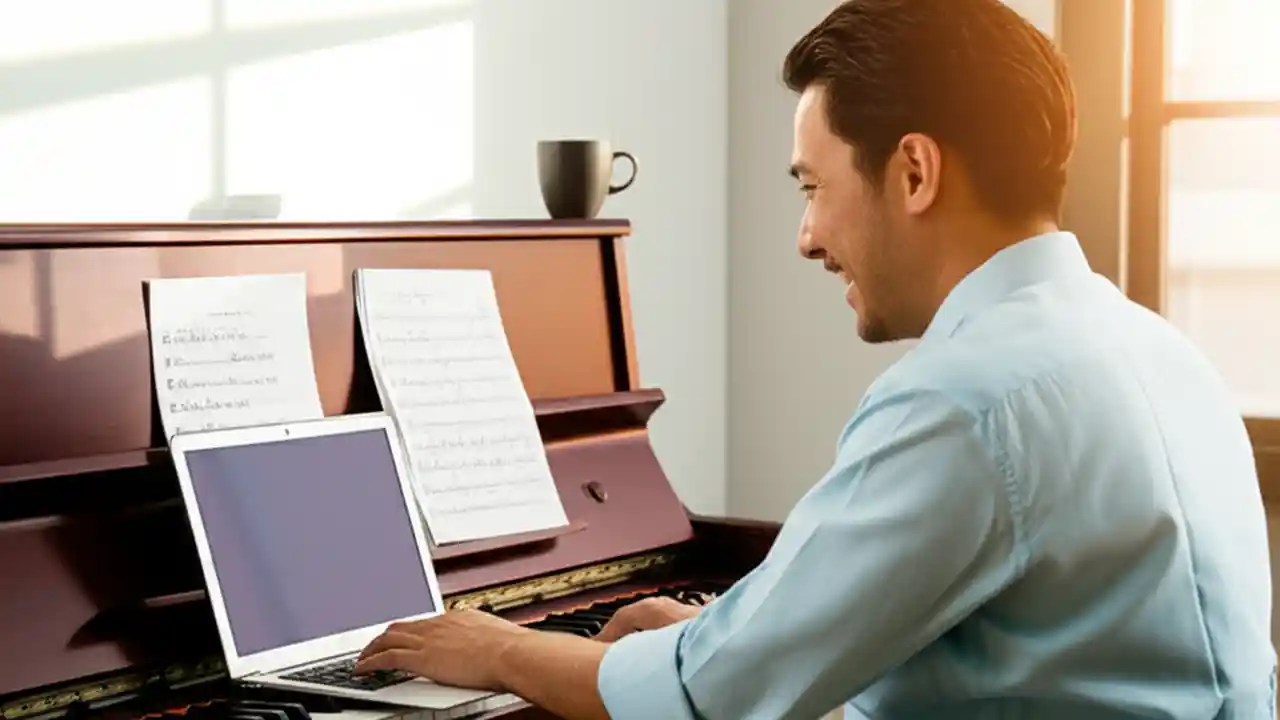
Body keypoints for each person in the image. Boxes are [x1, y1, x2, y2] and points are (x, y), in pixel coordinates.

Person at [354, 0, 1276, 717]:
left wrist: (502, 648)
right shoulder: (1162, 353)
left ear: (914, 172)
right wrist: (728, 643)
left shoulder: (963, 400)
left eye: (813, 187)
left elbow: (707, 703)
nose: (806, 237)